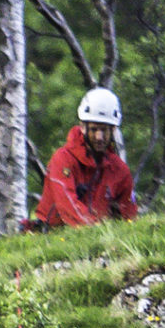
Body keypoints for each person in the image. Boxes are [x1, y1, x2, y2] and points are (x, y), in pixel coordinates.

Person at [33, 88, 138, 228]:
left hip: (100, 239)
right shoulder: (63, 159)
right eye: (94, 129)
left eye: (104, 130)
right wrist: (97, 230)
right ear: (83, 127)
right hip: (54, 236)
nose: (99, 137)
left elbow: (129, 215)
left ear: (113, 130)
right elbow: (67, 207)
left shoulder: (119, 170)